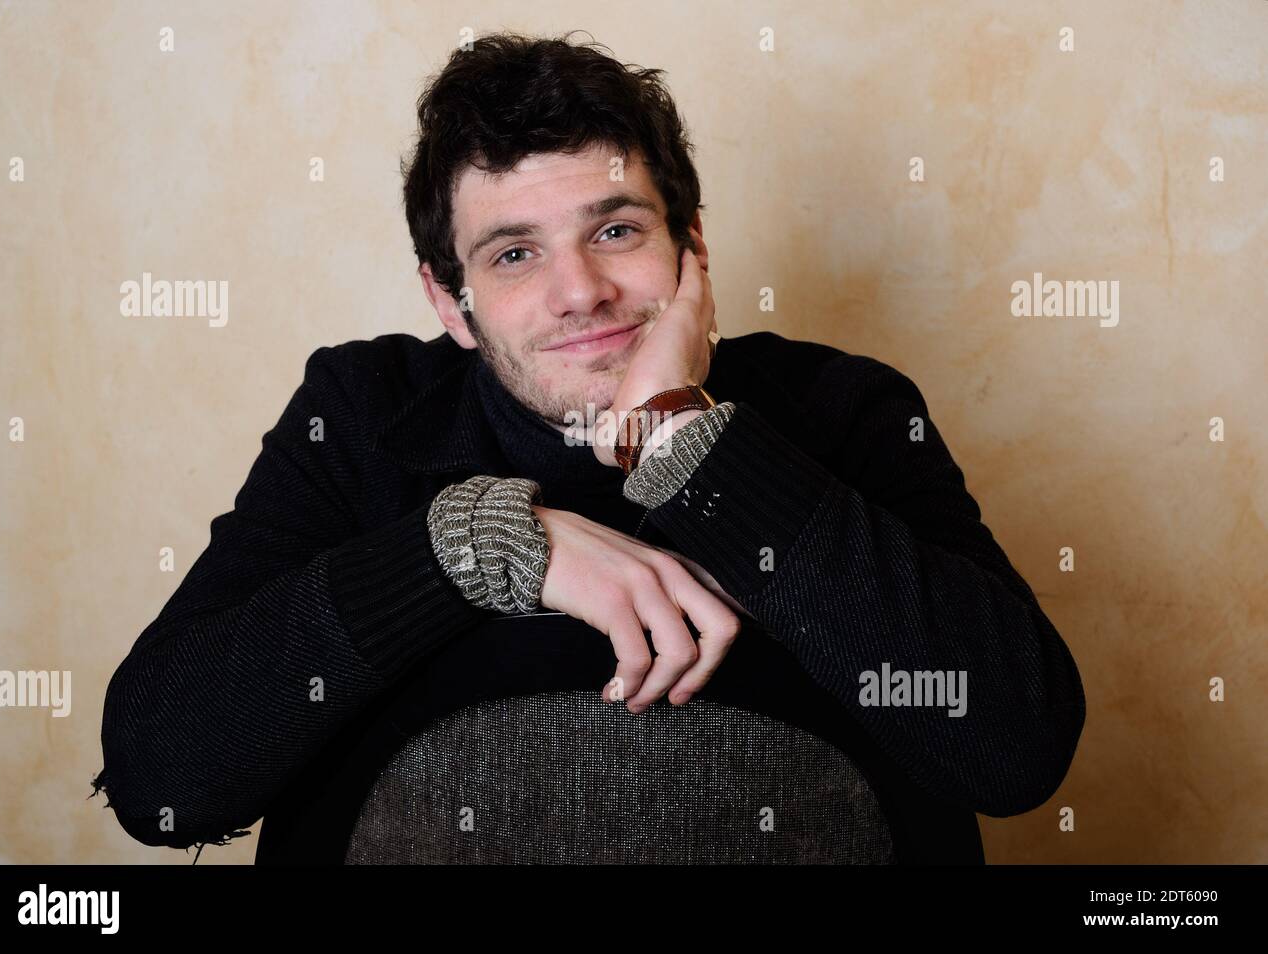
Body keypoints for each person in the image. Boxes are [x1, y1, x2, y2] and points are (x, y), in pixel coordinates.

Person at [91, 31, 1085, 865]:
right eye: (513, 253)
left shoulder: (842, 408)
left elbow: (1012, 748)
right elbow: (161, 780)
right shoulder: (361, 416)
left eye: (614, 230)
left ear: (691, 245)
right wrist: (474, 552)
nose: (580, 292)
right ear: (450, 300)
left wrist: (681, 439)